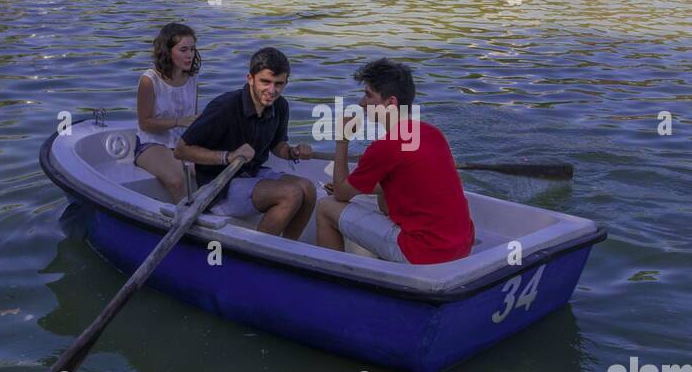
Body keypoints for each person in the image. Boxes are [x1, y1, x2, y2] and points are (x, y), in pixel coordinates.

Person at [316, 58, 474, 265]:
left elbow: (340, 193)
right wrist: (373, 188)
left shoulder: (386, 146)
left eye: (368, 95)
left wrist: (342, 140)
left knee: (326, 207)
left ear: (390, 103)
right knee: (382, 203)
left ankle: (333, 280)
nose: (362, 103)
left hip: (424, 253)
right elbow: (403, 186)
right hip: (462, 245)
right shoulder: (432, 133)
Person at [175, 47, 317, 238]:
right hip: (219, 187)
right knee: (290, 194)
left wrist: (293, 152)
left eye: (278, 84)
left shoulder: (280, 106)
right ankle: (260, 254)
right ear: (250, 78)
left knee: (308, 189)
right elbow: (181, 150)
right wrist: (228, 156)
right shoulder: (225, 106)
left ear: (286, 82)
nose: (272, 90)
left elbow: (277, 145)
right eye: (265, 82)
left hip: (252, 174)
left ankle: (288, 249)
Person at [135, 23, 201, 202]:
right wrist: (178, 121)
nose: (190, 55)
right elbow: (145, 123)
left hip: (184, 141)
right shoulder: (149, 80)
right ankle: (187, 222)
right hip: (152, 143)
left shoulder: (192, 79)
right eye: (183, 50)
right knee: (177, 180)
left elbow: (193, 118)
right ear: (168, 51)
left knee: (209, 172)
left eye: (192, 49)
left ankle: (213, 217)